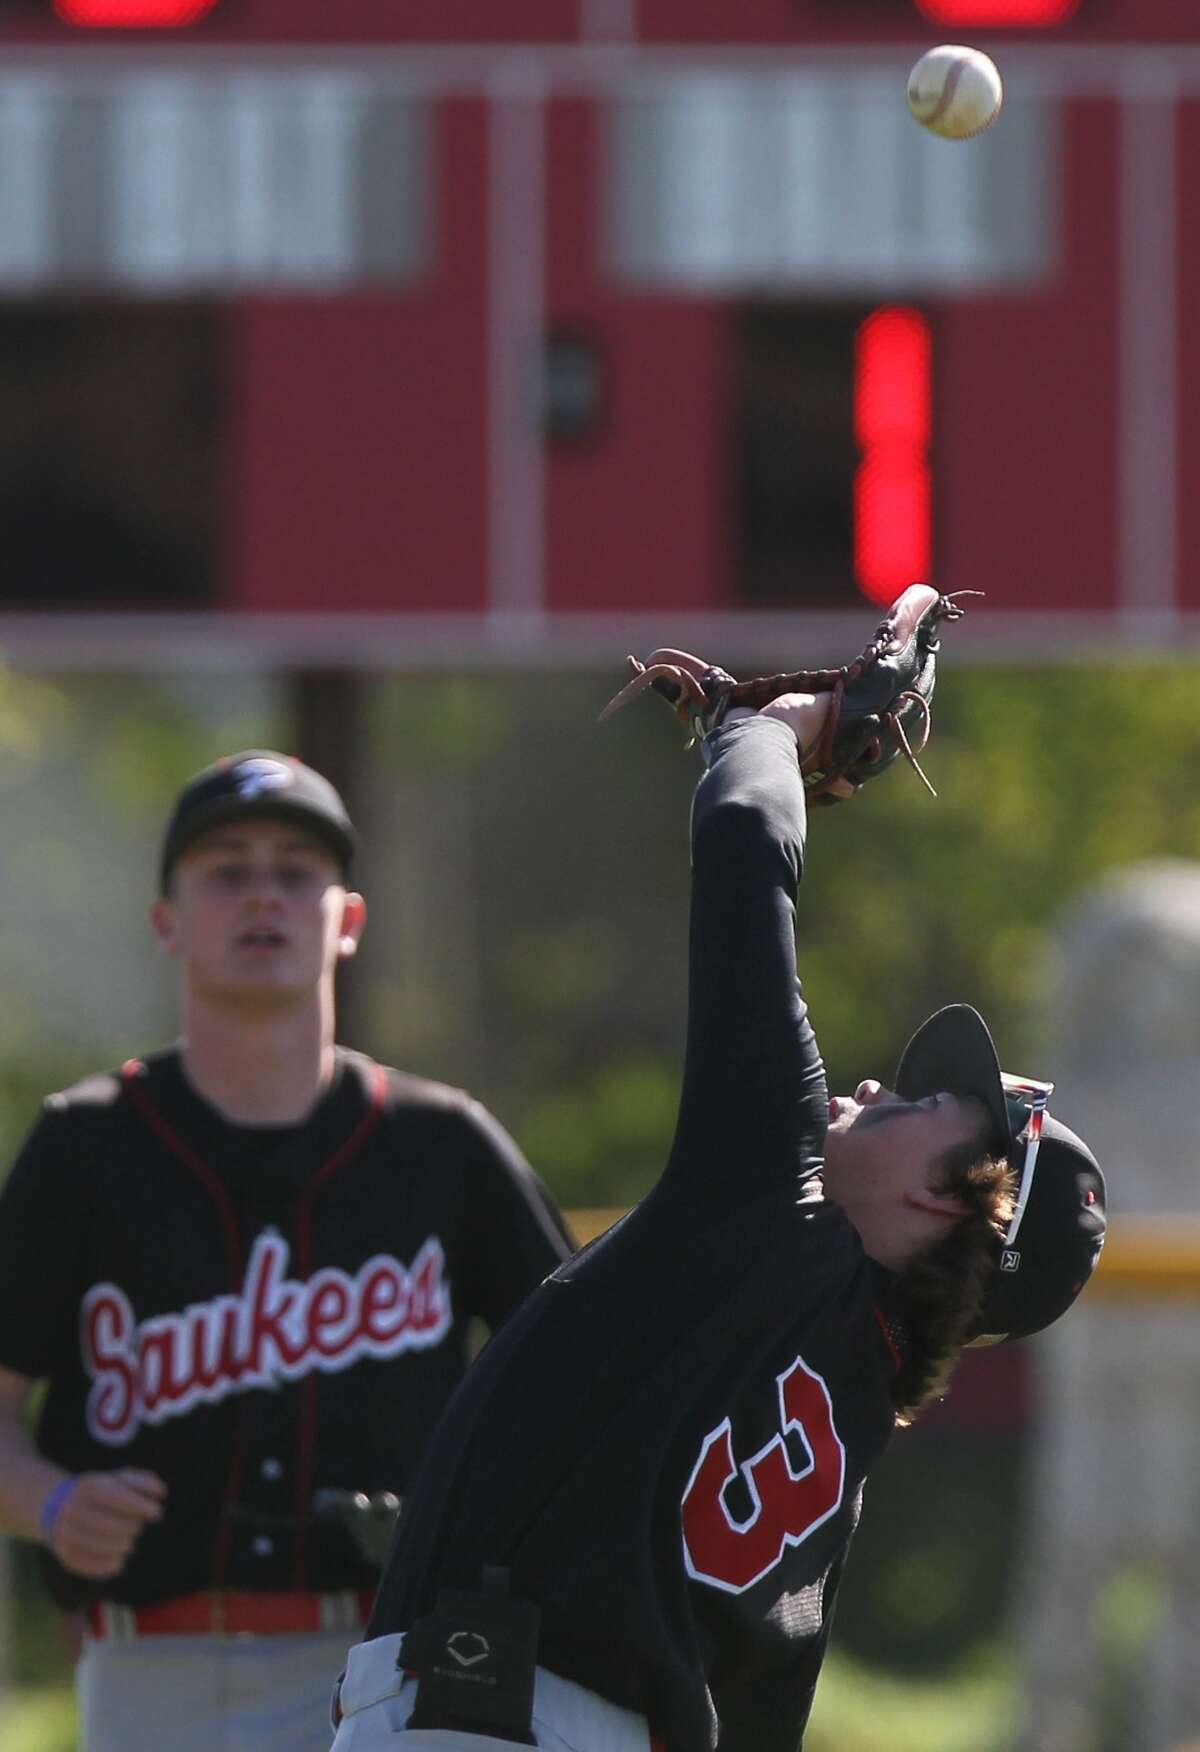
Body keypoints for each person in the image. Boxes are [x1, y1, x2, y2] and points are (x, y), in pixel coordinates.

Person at [329, 664, 1107, 1752]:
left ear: (948, 1199)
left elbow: (747, 844)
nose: (883, 1085)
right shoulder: (843, 1445)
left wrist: (767, 729)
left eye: (933, 1102)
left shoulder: (776, 1216)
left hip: (480, 1719)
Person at [0, 749, 574, 1752]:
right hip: (150, 1667)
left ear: (347, 918)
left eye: (295, 868)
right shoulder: (84, 1145)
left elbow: (582, 1389)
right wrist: (49, 1502)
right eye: (226, 867)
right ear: (166, 922)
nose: (262, 892)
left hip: (394, 1660)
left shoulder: (443, 1144)